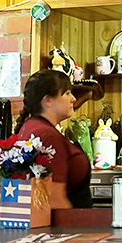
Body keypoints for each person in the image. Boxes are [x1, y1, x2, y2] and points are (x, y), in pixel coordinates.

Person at [15, 69, 92, 208]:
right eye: (67, 93)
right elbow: (54, 199)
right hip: (69, 220)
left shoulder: (31, 126)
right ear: (48, 100)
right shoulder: (48, 136)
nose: (73, 99)